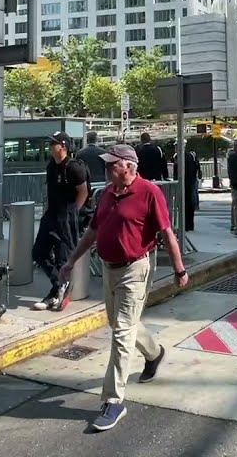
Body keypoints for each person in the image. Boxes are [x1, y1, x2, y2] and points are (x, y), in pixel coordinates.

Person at [59, 144, 188, 432]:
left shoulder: (149, 192)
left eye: (111, 163)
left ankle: (114, 400)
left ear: (128, 166)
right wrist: (70, 261)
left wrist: (179, 269)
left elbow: (167, 233)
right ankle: (154, 353)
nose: (106, 168)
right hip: (109, 269)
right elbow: (93, 231)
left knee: (121, 334)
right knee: (121, 324)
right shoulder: (105, 194)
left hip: (135, 269)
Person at [31, 132, 88, 312]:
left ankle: (57, 292)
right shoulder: (51, 167)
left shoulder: (73, 168)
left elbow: (83, 192)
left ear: (63, 146)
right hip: (51, 215)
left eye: (53, 143)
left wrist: (73, 213)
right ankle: (59, 285)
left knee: (63, 256)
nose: (50, 146)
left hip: (66, 216)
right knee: (39, 252)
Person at [183, 148, 201, 231]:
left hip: (187, 183)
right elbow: (197, 167)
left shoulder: (184, 156)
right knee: (190, 204)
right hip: (191, 182)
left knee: (187, 204)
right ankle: (190, 225)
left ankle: (187, 225)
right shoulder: (191, 157)